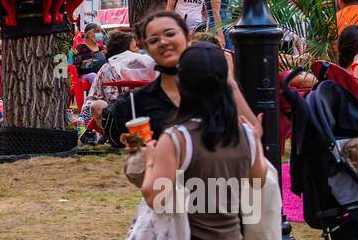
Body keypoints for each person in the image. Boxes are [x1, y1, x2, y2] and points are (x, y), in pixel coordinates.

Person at [130, 42, 267, 240]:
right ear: (225, 82)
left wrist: (150, 162)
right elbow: (258, 179)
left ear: (182, 83)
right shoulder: (243, 135)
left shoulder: (176, 138)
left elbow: (155, 195)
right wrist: (258, 139)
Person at [103, 9, 261, 148]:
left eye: (170, 33)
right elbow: (138, 164)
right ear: (147, 49)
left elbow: (255, 134)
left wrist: (230, 82)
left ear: (187, 37)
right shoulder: (135, 102)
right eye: (153, 40)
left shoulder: (217, 88)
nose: (163, 42)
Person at [78, 29, 155, 141]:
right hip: (121, 113)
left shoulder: (112, 67)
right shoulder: (112, 68)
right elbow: (112, 100)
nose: (138, 49)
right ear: (126, 48)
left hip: (123, 115)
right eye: (135, 46)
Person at [73, 23, 106, 89]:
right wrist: (97, 57)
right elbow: (77, 65)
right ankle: (100, 96)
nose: (100, 34)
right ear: (90, 34)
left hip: (101, 74)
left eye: (101, 31)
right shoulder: (80, 47)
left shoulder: (102, 48)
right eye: (98, 31)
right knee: (93, 76)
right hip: (85, 74)